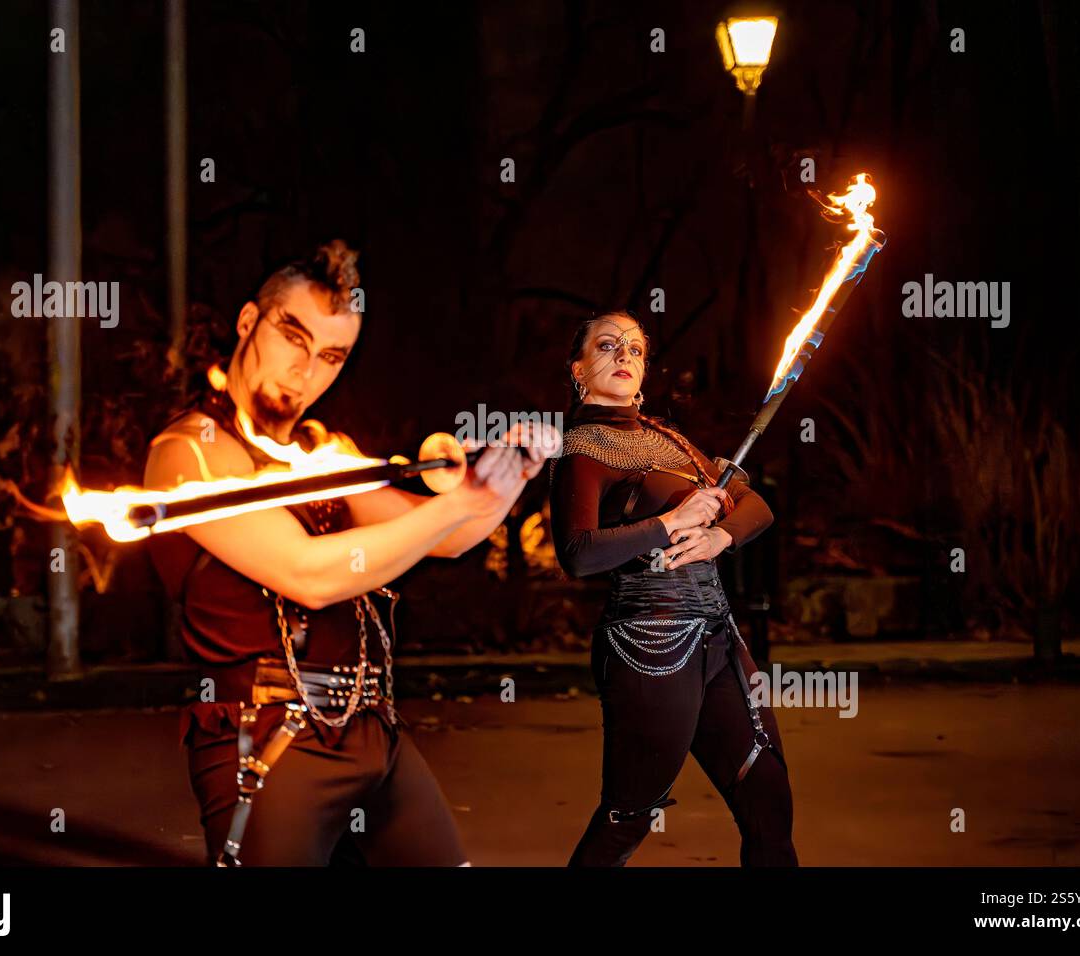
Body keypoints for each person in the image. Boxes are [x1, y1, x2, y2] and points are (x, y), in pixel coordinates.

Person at [145, 240, 548, 865]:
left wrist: (507, 476)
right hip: (271, 742)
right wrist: (459, 503)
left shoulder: (323, 450)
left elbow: (444, 537)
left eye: (331, 355)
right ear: (249, 322)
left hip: (375, 734)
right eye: (292, 336)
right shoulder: (190, 454)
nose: (306, 370)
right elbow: (309, 575)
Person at [548, 310, 798, 867]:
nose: (624, 357)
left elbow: (757, 506)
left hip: (718, 637)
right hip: (648, 644)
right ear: (579, 370)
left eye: (635, 350)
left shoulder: (668, 439)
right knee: (627, 818)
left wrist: (718, 539)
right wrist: (672, 523)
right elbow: (579, 554)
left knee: (769, 804)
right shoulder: (584, 449)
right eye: (608, 346)